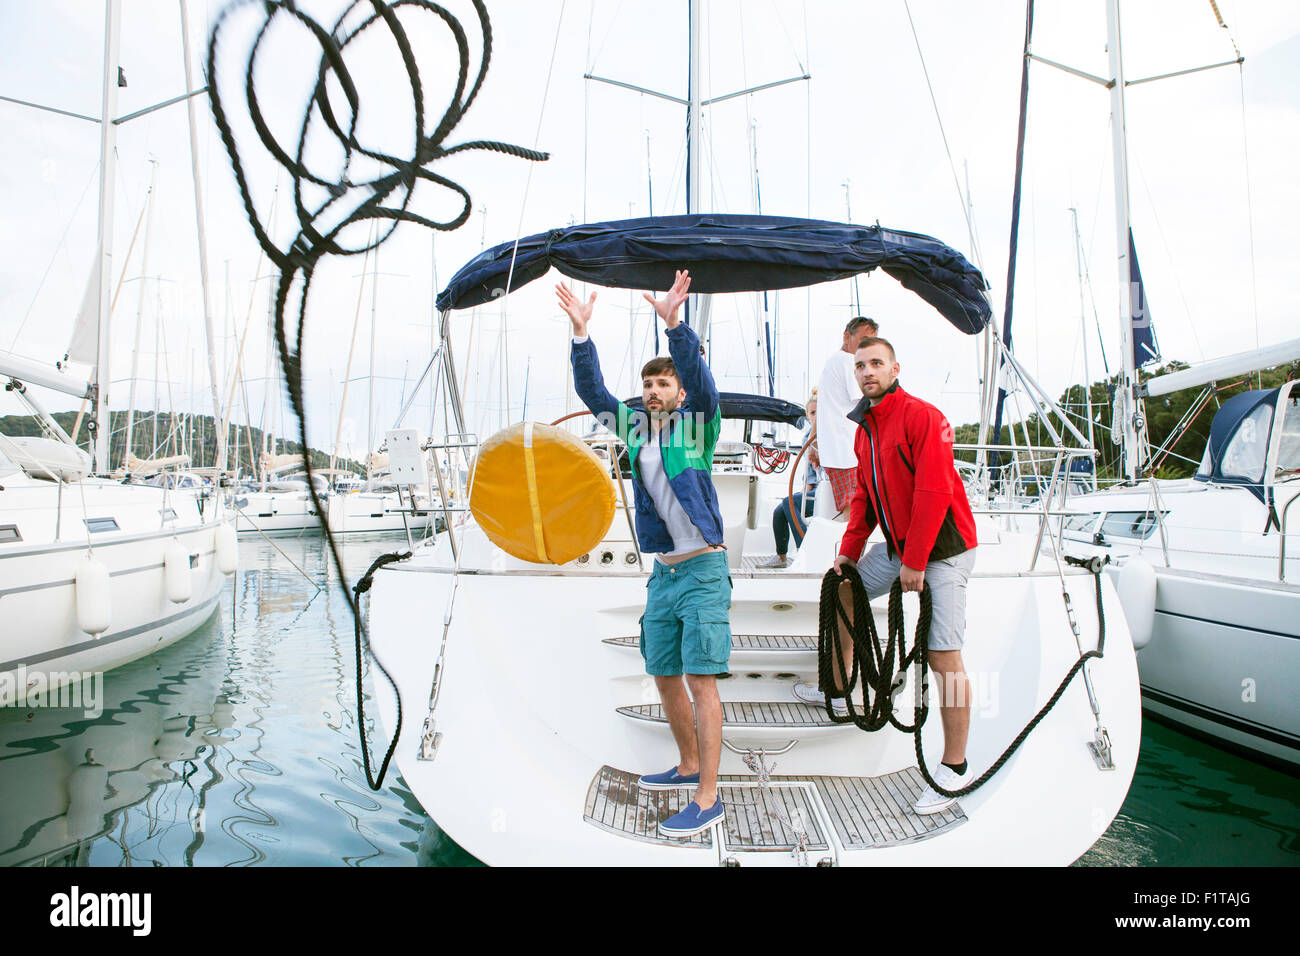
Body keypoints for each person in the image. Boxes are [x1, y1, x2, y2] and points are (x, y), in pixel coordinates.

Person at [557, 269, 731, 839]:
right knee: (662, 674)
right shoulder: (635, 429)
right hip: (664, 574)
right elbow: (593, 395)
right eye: (649, 384)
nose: (655, 391)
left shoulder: (697, 427)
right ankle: (686, 767)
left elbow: (705, 386)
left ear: (678, 393)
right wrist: (582, 333)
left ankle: (708, 797)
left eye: (665, 384)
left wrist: (675, 325)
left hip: (704, 568)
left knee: (702, 682)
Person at [794, 336, 978, 815]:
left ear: (895, 367)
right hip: (901, 549)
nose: (868, 371)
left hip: (943, 549)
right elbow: (865, 500)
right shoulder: (864, 429)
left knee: (944, 658)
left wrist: (916, 561)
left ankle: (955, 764)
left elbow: (935, 493)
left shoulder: (923, 417)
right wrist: (849, 553)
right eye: (860, 365)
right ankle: (839, 684)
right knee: (843, 590)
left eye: (876, 363)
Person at [817, 316, 878, 516]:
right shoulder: (846, 361)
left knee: (854, 506)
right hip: (846, 452)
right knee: (854, 509)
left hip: (839, 451)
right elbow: (866, 400)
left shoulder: (833, 361)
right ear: (846, 337)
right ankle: (850, 547)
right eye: (864, 340)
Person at [758, 389, 822, 568]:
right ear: (807, 415)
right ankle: (781, 557)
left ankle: (805, 553)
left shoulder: (827, 434)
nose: (816, 416)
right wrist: (806, 490)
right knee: (780, 510)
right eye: (812, 413)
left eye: (819, 412)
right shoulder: (808, 436)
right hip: (816, 490)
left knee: (789, 503)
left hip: (827, 492)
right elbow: (809, 473)